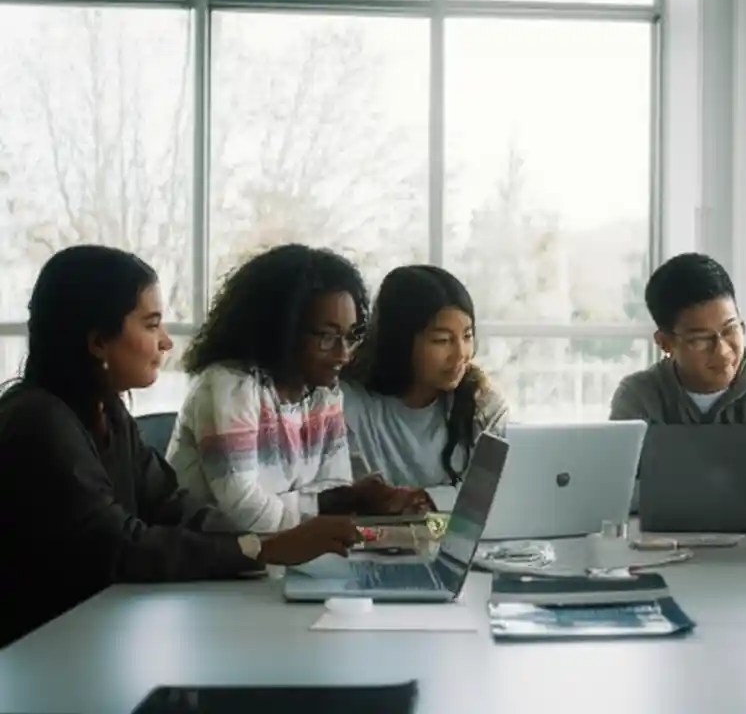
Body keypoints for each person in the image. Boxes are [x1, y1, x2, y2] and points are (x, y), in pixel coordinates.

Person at [0, 246, 362, 648]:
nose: (167, 342)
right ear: (99, 342)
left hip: (92, 635)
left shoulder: (107, 412)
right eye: (152, 325)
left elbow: (171, 505)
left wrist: (277, 546)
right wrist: (262, 547)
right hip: (35, 655)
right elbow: (121, 547)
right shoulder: (39, 423)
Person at [168, 244, 428, 533]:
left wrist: (346, 499)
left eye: (350, 335)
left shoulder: (323, 393)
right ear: (281, 329)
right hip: (207, 562)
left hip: (277, 559)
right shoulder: (229, 388)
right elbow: (246, 515)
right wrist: (340, 501)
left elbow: (333, 487)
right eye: (327, 336)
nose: (343, 354)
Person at [341, 265, 508, 490]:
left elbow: (483, 507)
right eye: (442, 340)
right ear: (400, 342)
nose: (461, 355)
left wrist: (430, 513)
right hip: (367, 526)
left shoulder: (483, 406)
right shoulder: (346, 404)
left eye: (467, 336)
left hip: (455, 526)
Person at [609, 252, 746, 425]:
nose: (722, 351)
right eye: (700, 339)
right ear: (665, 343)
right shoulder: (638, 398)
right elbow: (618, 465)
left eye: (729, 330)